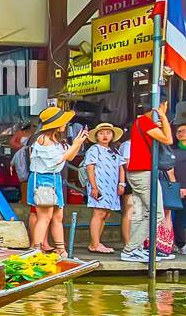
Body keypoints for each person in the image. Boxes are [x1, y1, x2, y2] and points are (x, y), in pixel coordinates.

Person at [28, 106, 88, 258]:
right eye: (63, 121)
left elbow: (70, 156)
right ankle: (37, 249)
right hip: (43, 179)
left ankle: (61, 250)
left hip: (54, 178)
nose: (66, 123)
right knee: (45, 217)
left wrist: (77, 143)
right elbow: (61, 158)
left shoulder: (56, 140)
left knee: (57, 216)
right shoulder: (43, 140)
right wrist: (76, 144)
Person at [121, 99, 173, 262]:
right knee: (156, 213)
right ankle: (129, 250)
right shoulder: (144, 122)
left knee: (141, 213)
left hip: (139, 172)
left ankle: (135, 248)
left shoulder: (142, 122)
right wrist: (163, 117)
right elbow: (168, 139)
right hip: (143, 173)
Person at [81, 122, 125, 254]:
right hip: (99, 185)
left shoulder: (114, 150)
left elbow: (121, 167)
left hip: (112, 187)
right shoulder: (94, 149)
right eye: (101, 133)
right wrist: (94, 187)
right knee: (98, 213)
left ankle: (96, 242)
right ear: (96, 136)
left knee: (105, 214)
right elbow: (90, 168)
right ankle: (95, 244)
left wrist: (122, 183)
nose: (105, 136)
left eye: (108, 133)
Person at [174, 123, 186, 249]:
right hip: (180, 188)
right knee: (180, 217)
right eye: (179, 131)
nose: (181, 133)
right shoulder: (173, 151)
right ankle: (181, 244)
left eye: (184, 131)